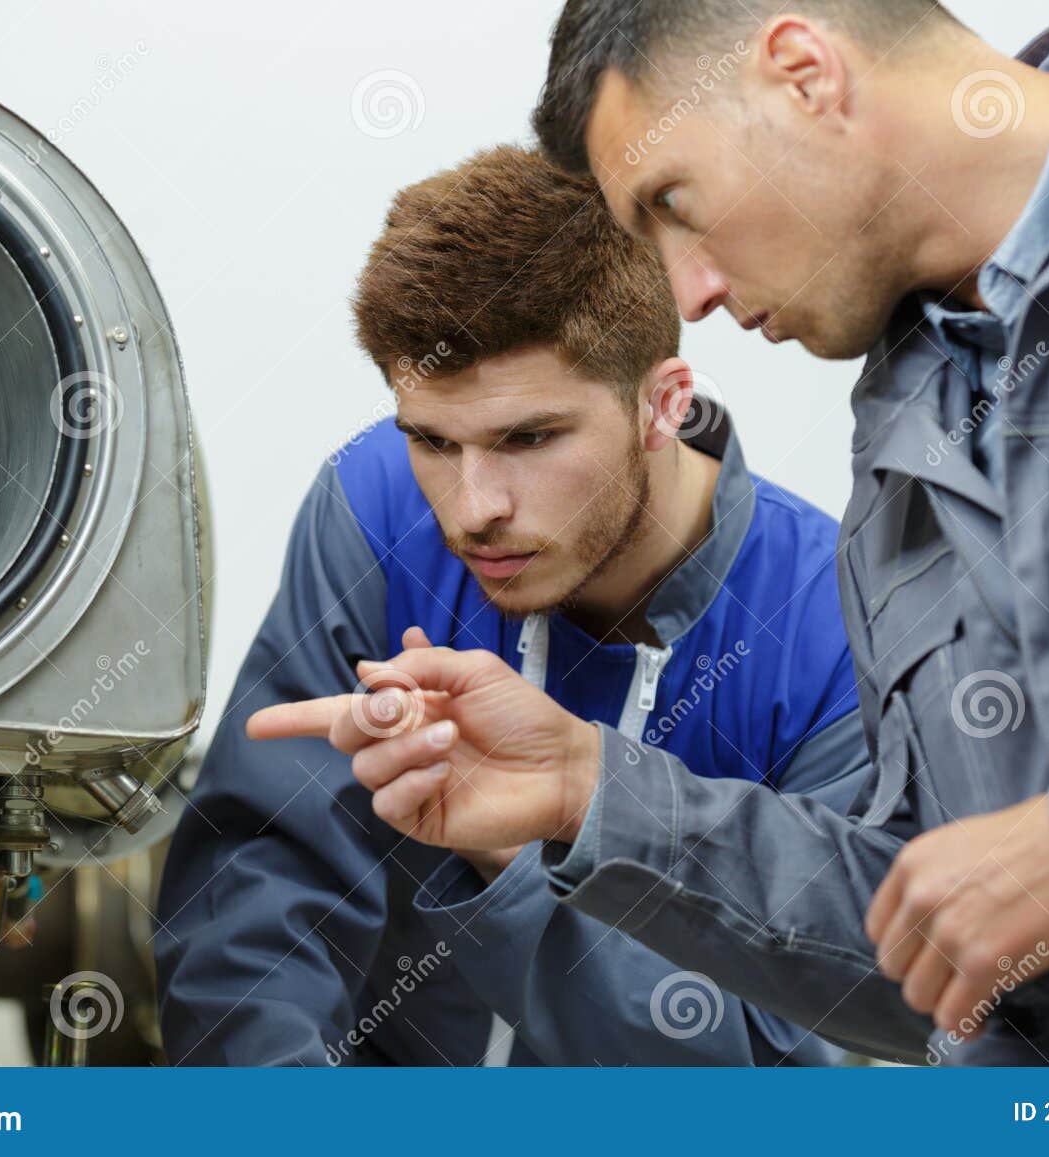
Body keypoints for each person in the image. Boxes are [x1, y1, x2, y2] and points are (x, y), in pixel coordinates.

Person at [252, 4, 1049, 1065]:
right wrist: (588, 788)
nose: (691, 290)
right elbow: (931, 938)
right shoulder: (902, 445)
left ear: (802, 72)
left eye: (674, 203)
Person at [154, 145, 888, 1066]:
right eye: (431, 438)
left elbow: (777, 1059)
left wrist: (514, 861)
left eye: (528, 437)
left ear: (661, 404)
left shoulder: (838, 622)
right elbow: (259, 892)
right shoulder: (376, 502)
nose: (472, 511)